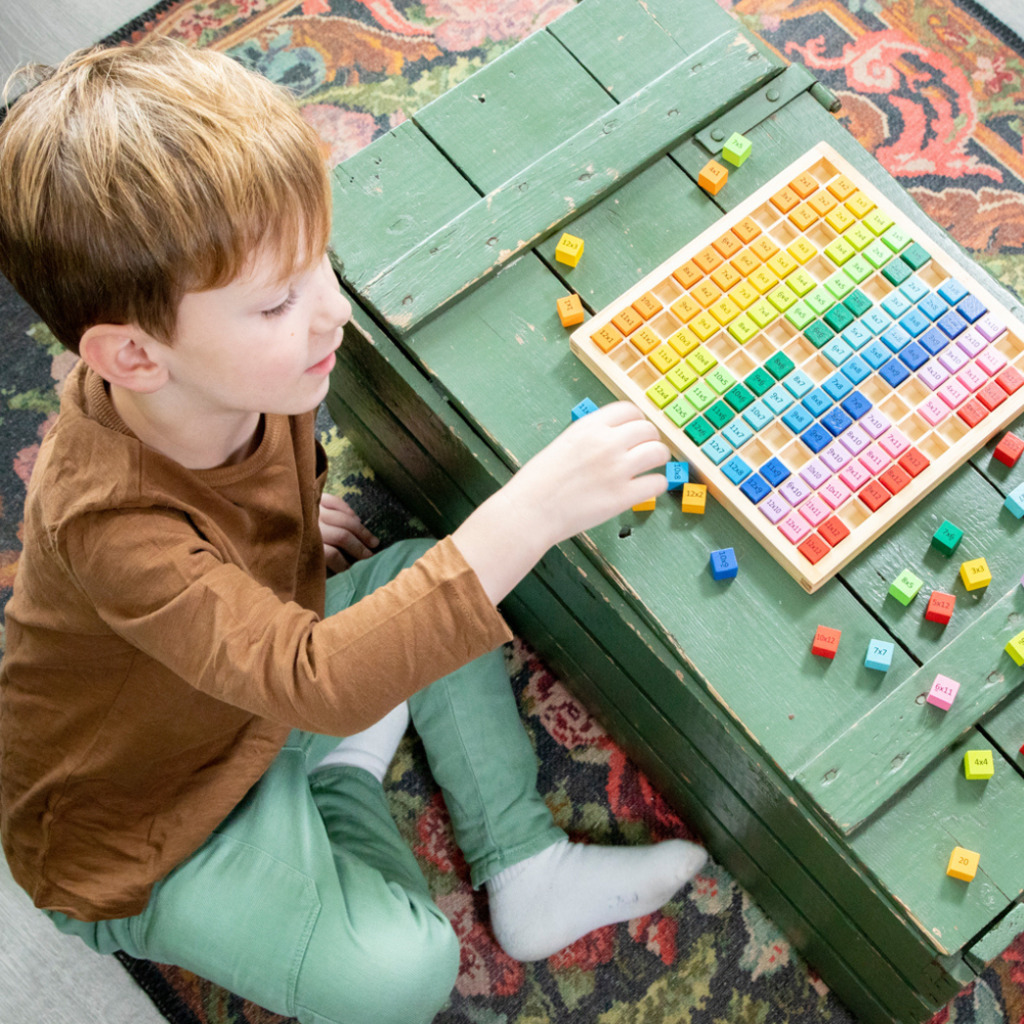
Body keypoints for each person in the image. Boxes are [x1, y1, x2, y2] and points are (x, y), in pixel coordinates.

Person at [0, 39, 706, 1024]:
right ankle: (340, 778)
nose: (331, 311)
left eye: (319, 263)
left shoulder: (242, 370)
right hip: (150, 829)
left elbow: (266, 564)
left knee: (425, 578)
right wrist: (535, 508)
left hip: (252, 689)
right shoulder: (111, 525)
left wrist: (277, 536)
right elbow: (313, 675)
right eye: (278, 301)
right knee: (401, 974)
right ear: (134, 356)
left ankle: (525, 865)